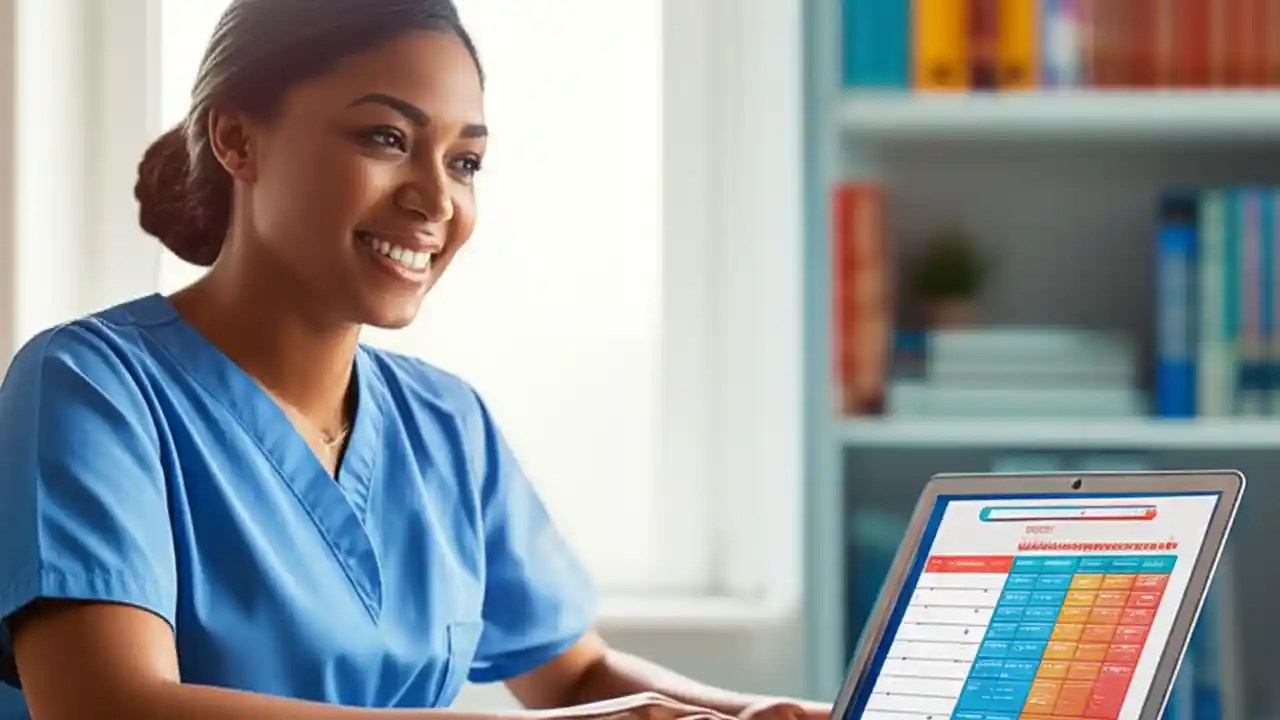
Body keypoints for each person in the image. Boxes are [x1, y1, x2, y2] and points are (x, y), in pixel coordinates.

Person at [0, 1, 831, 719]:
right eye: (386, 137)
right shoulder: (90, 388)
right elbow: (106, 705)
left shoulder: (446, 426)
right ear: (237, 139)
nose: (436, 200)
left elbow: (575, 675)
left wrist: (764, 711)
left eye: (464, 162)